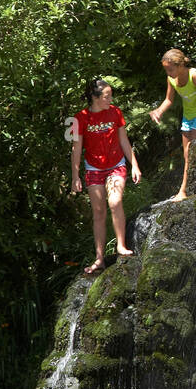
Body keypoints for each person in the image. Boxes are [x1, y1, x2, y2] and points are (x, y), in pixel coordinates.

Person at [71, 79, 142, 275]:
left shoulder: (115, 112)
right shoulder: (81, 118)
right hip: (93, 168)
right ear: (94, 98)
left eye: (111, 95)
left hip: (116, 165)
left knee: (115, 202)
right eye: (106, 96)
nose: (110, 99)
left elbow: (124, 140)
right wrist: (75, 176)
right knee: (99, 212)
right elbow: (76, 149)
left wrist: (134, 164)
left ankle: (120, 246)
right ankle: (99, 258)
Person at [149, 49, 196, 201]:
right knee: (186, 153)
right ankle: (188, 188)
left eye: (170, 69)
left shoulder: (194, 75)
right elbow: (169, 100)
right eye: (165, 69)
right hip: (187, 117)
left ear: (180, 65)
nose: (168, 72)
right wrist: (158, 111)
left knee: (190, 152)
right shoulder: (171, 79)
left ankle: (184, 191)